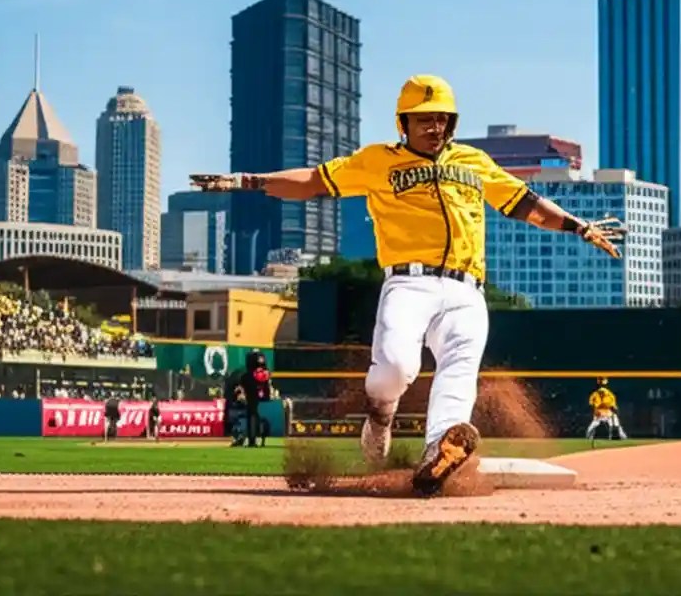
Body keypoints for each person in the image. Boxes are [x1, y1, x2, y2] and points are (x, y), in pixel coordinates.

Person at [192, 74, 622, 496]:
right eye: (424, 119)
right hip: (408, 284)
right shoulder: (378, 160)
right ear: (404, 123)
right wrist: (247, 181)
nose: (434, 127)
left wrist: (578, 226)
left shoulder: (473, 162)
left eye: (442, 119)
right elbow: (315, 180)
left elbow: (525, 204)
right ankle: (380, 415)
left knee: (459, 368)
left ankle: (439, 449)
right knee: (396, 368)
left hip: (467, 290)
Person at [238, 349, 271, 448]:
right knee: (254, 415)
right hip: (261, 399)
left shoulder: (247, 376)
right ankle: (252, 439)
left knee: (252, 415)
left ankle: (252, 440)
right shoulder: (264, 374)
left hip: (254, 399)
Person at [585, 377, 628, 443]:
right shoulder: (610, 394)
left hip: (600, 412)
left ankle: (589, 436)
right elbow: (613, 407)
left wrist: (595, 410)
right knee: (615, 424)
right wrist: (616, 411)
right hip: (606, 412)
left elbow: (590, 404)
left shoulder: (594, 394)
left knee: (594, 424)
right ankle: (620, 436)